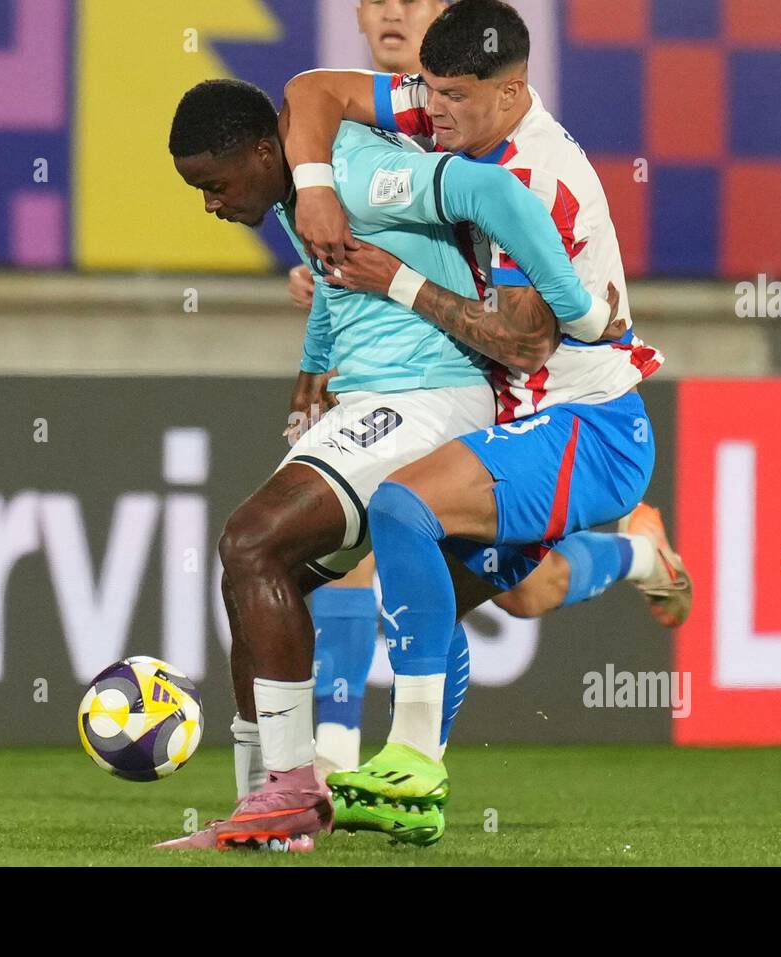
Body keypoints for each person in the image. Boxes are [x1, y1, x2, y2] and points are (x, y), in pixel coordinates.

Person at [162, 76, 618, 850]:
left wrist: (578, 309)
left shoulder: (354, 172)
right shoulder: (299, 192)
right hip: (382, 398)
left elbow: (492, 190)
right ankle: (269, 814)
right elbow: (341, 291)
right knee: (257, 573)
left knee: (251, 543)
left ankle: (289, 793)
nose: (209, 203)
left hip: (431, 398)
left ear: (266, 151)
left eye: (213, 183)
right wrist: (314, 372)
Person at [281, 0, 691, 828]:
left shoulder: (534, 179)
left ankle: (405, 763)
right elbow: (310, 91)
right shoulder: (450, 105)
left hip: (588, 424)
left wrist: (391, 279)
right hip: (510, 421)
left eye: (453, 98)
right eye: (426, 93)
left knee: (401, 509)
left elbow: (524, 346)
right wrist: (319, 194)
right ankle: (641, 556)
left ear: (510, 95)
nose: (432, 114)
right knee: (508, 595)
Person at [288, 0, 453, 790]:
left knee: (530, 591)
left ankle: (633, 550)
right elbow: (334, 272)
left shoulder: (469, 116)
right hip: (386, 386)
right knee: (343, 540)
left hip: (477, 377)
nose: (394, 11)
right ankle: (337, 758)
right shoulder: (337, 130)